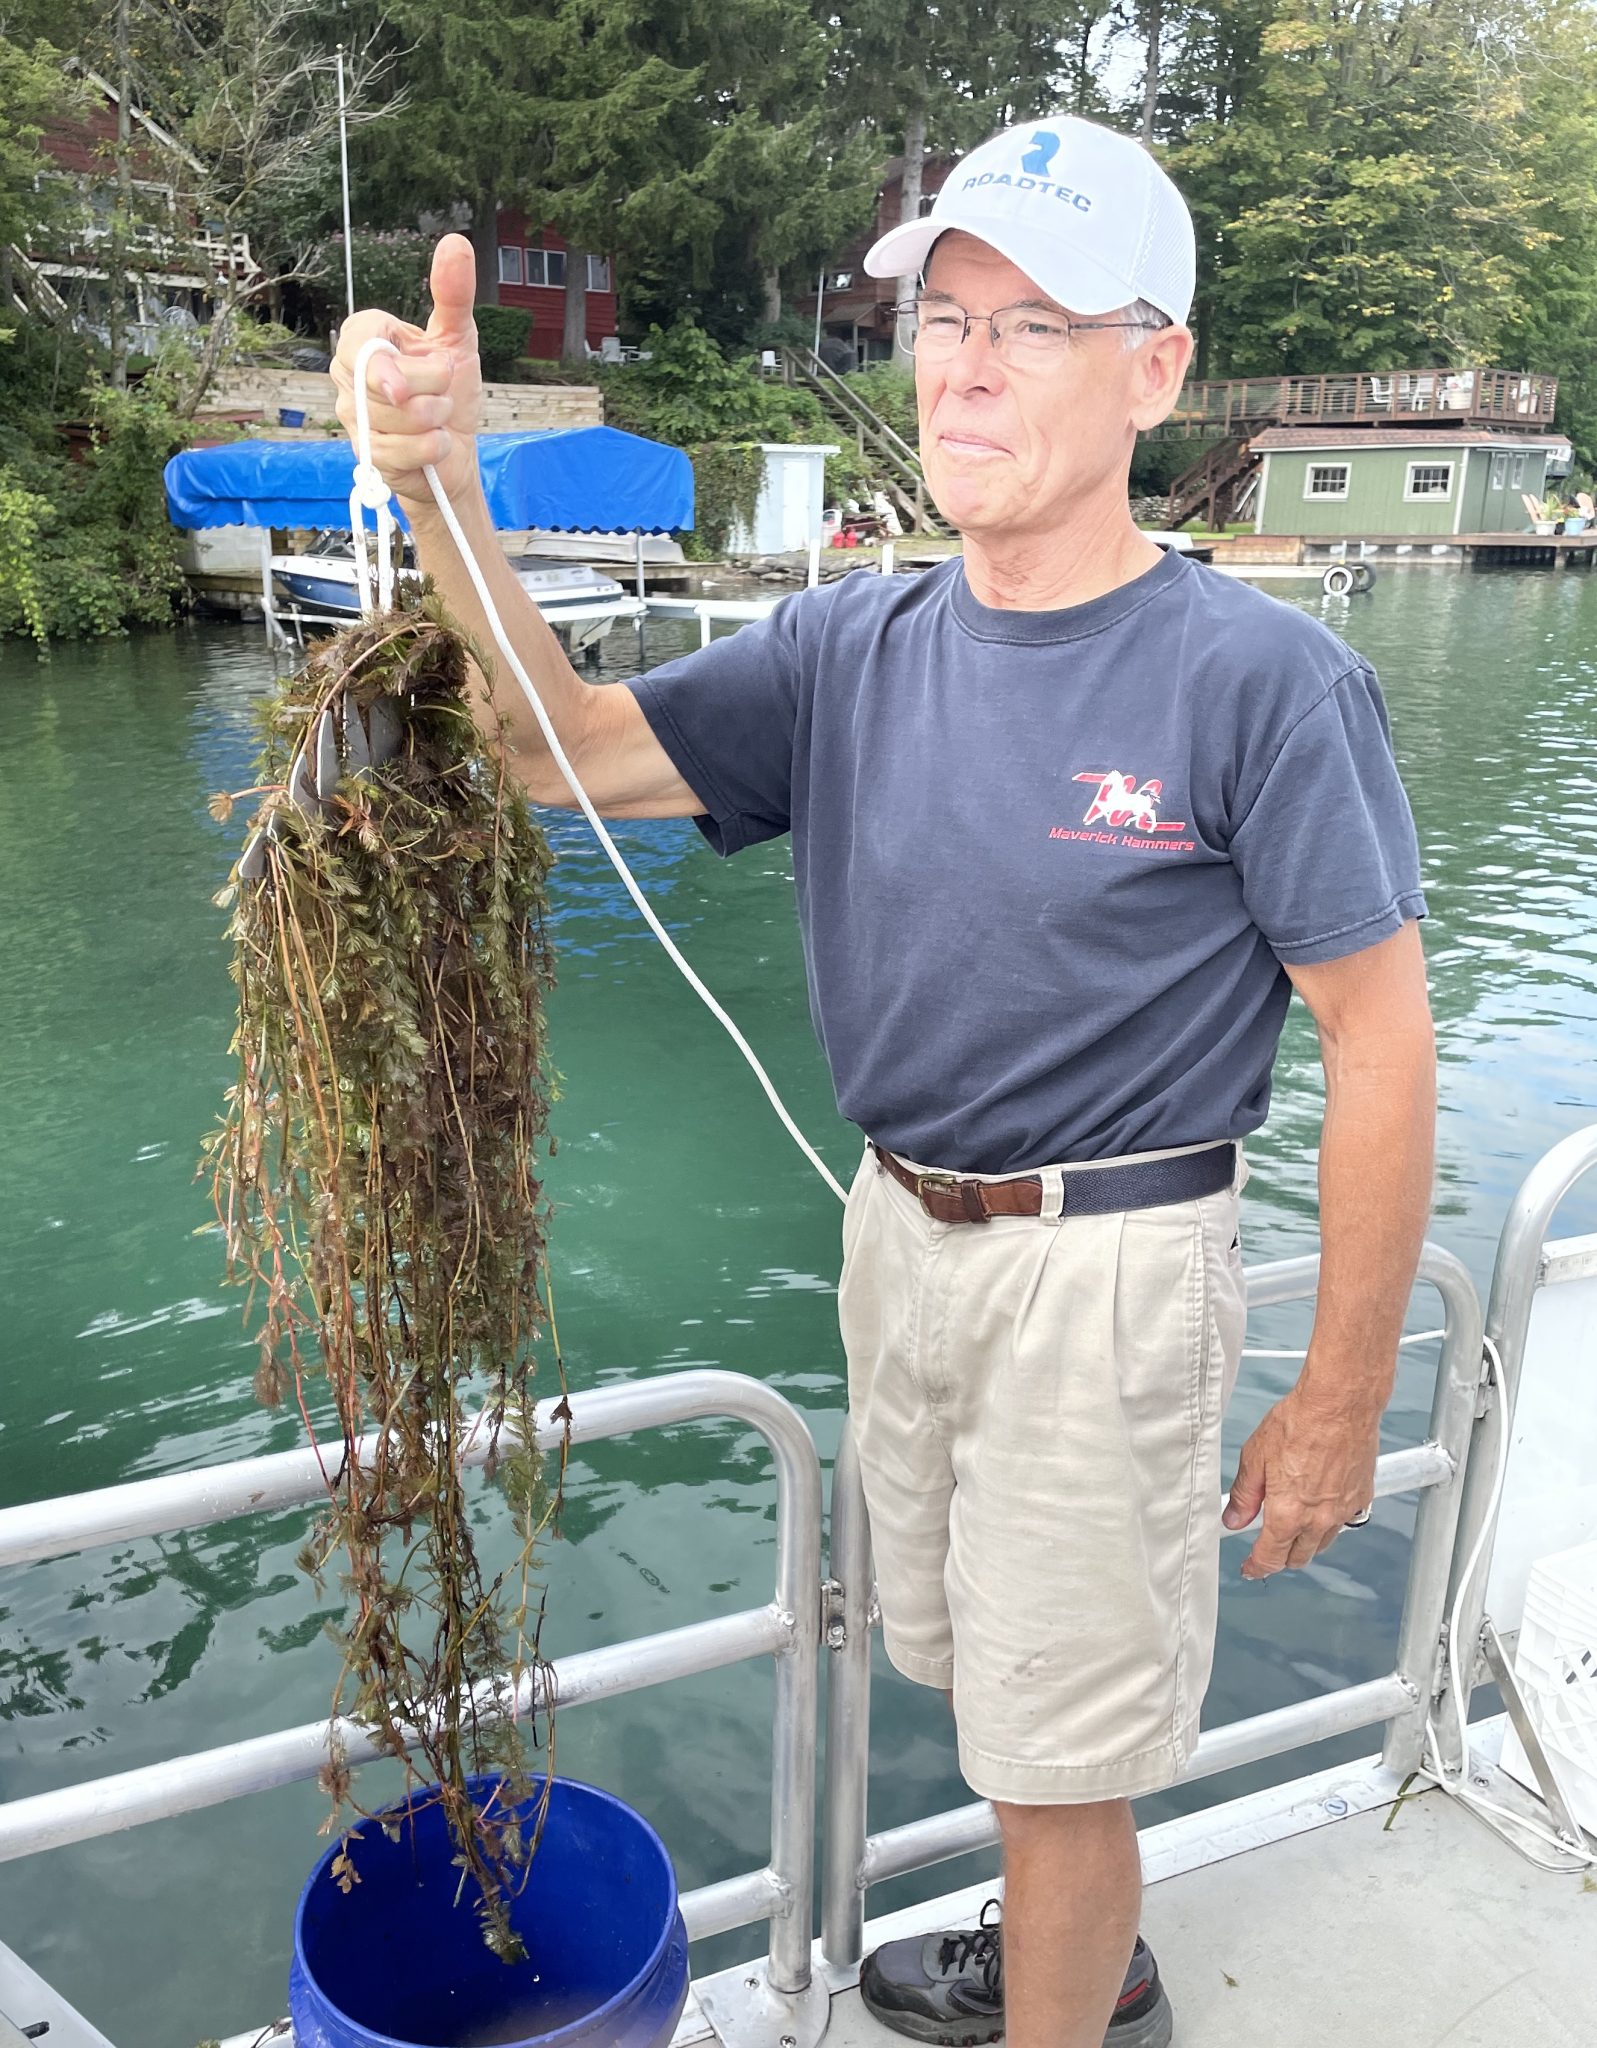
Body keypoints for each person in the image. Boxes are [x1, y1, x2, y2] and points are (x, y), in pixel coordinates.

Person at [333, 115, 1436, 2048]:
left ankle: (1070, 1985)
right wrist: (439, 490)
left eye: (1029, 323)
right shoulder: (853, 642)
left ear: (1153, 366)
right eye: (943, 318)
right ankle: (1070, 1952)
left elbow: (1378, 1036)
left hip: (1108, 1272)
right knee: (971, 1676)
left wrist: (1339, 1395)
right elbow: (550, 748)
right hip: (897, 1237)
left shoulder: (1254, 677)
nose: (964, 365)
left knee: (1055, 1763)